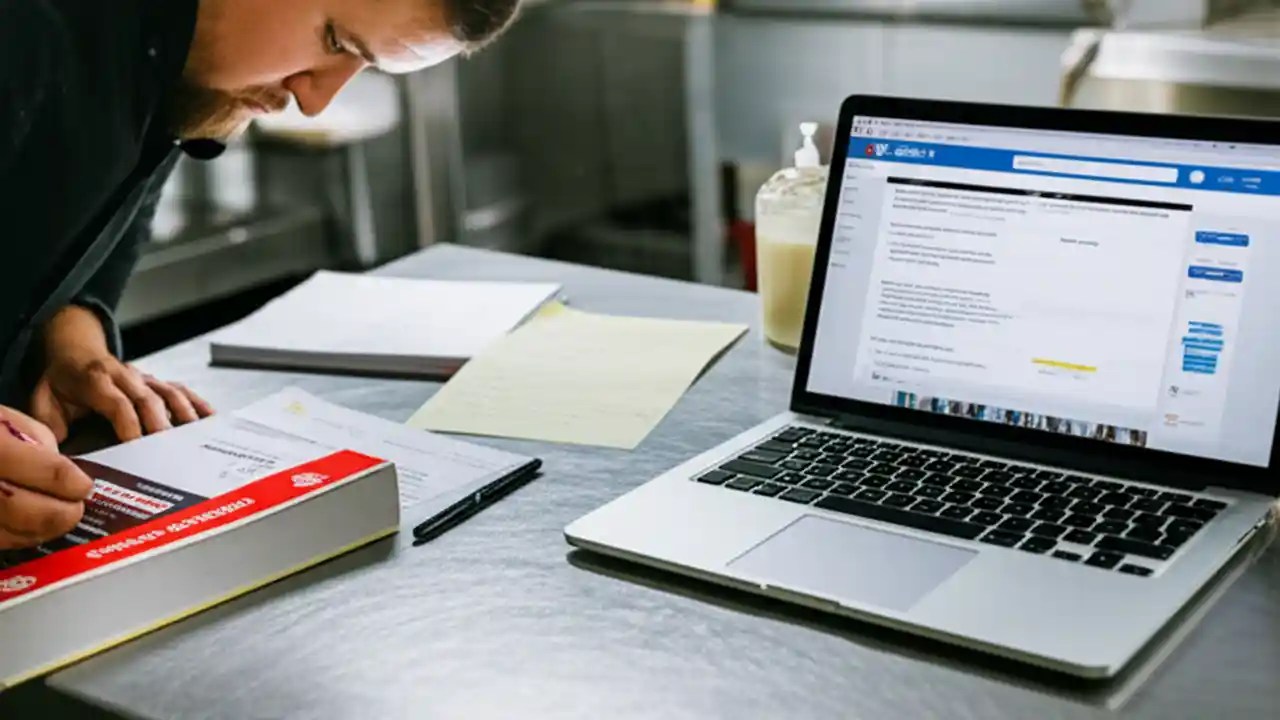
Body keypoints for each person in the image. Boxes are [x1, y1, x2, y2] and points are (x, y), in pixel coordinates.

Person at [0, 0, 520, 550]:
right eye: (334, 42)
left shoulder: (188, 70)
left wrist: (74, 342)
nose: (315, 100)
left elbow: (89, 236)